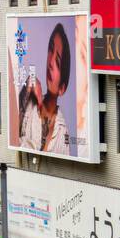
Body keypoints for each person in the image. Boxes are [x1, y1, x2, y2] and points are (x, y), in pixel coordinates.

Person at [17, 22, 73, 156]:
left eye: (58, 62)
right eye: (50, 50)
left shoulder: (62, 132)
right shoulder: (29, 99)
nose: (51, 62)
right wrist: (25, 90)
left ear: (62, 88)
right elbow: (11, 131)